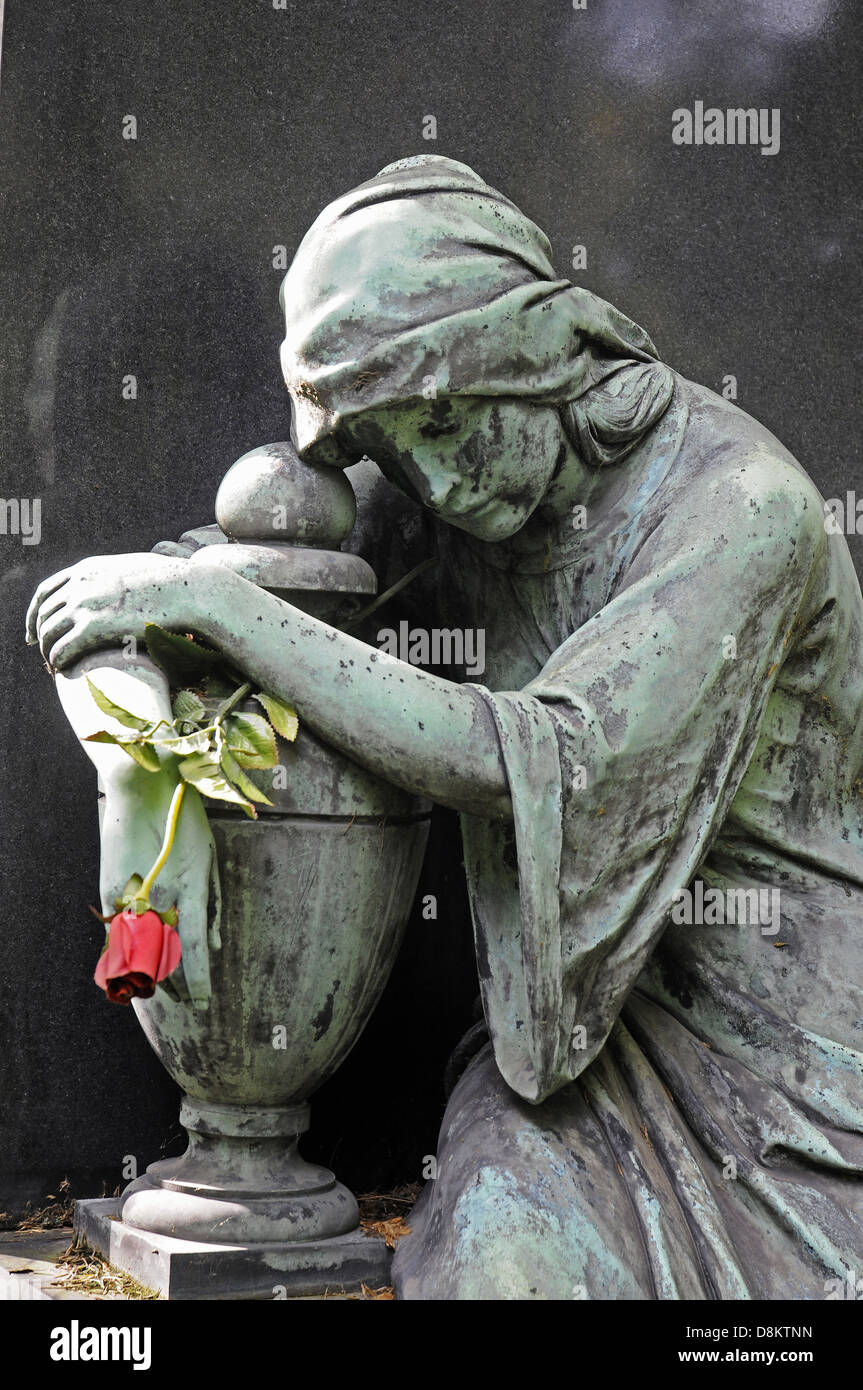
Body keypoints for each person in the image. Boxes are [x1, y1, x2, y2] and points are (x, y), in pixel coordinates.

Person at [27, 156, 863, 1299]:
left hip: (786, 1070)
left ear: (529, 352)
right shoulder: (457, 484)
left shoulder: (738, 508)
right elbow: (269, 581)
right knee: (497, 1263)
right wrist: (139, 661)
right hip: (569, 1054)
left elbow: (532, 754)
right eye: (388, 440)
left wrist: (217, 606)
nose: (431, 475)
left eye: (440, 420)